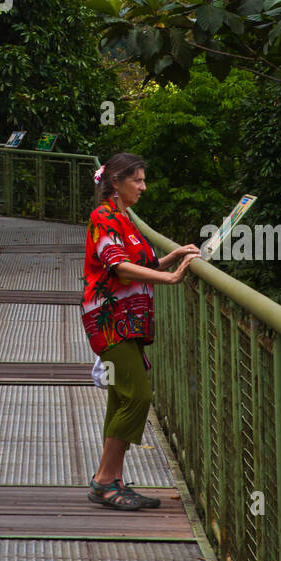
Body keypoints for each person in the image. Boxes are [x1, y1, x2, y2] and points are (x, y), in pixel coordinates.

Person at [82, 153, 199, 510]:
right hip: (109, 319)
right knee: (137, 397)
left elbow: (139, 263)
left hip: (129, 320)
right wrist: (170, 277)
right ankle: (104, 481)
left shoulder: (124, 217)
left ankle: (113, 479)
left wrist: (171, 257)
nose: (144, 187)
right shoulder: (102, 217)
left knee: (122, 396)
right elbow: (119, 268)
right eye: (138, 180)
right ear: (115, 182)